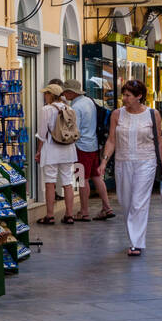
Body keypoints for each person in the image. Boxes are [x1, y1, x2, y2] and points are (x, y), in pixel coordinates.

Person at [99, 79, 162, 257]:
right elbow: (111, 140)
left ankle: (136, 242)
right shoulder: (117, 114)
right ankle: (134, 237)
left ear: (139, 96)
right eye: (124, 95)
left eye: (128, 95)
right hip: (123, 162)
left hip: (146, 161)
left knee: (139, 201)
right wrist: (104, 162)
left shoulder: (153, 114)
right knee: (125, 201)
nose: (124, 98)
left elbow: (159, 140)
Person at [61, 79, 114, 220]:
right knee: (97, 176)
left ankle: (84, 212)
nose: (64, 94)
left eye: (66, 91)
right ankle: (107, 207)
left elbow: (73, 130)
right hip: (93, 145)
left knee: (81, 180)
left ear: (71, 92)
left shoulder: (76, 107)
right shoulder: (89, 101)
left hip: (80, 147)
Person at [35, 83, 78, 225]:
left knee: (50, 183)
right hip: (68, 149)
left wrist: (39, 150)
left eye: (46, 93)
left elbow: (42, 133)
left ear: (50, 95)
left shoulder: (46, 109)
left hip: (51, 149)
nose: (44, 96)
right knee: (68, 182)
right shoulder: (69, 108)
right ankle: (69, 215)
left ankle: (50, 215)